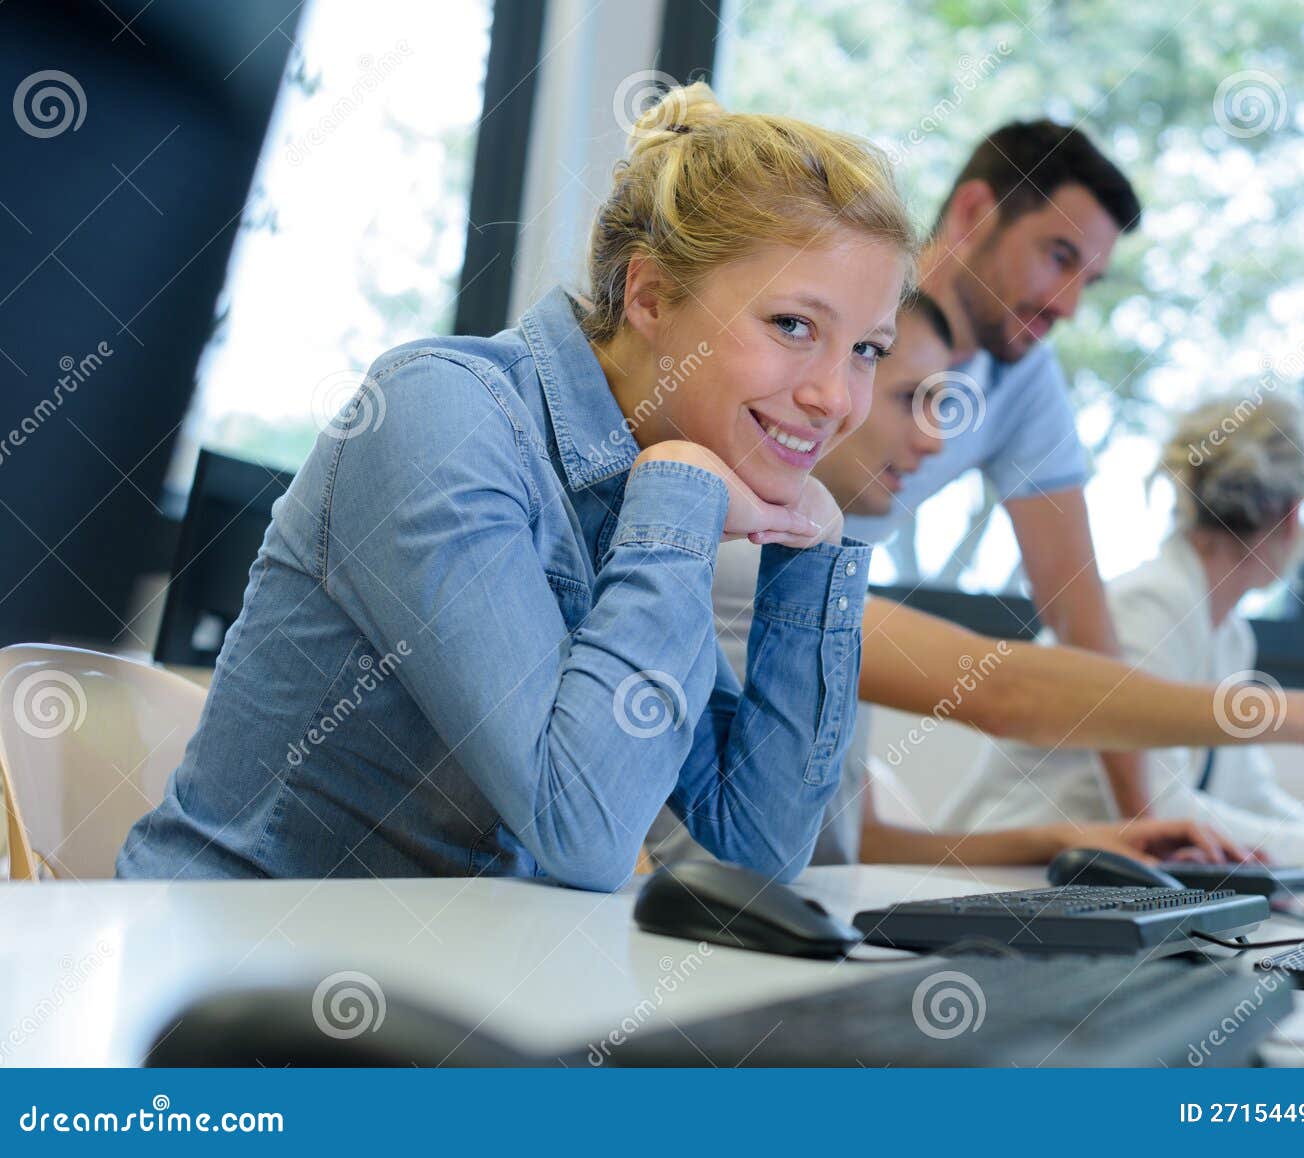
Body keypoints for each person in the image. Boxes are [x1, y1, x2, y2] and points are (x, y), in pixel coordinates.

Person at [116, 84, 916, 891]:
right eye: (792, 326)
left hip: (441, 983)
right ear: (649, 295)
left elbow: (758, 849)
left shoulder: (644, 473)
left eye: (868, 350)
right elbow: (583, 833)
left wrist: (806, 564)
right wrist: (679, 496)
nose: (837, 398)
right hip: (230, 967)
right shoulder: (441, 413)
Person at [648, 297, 1304, 870]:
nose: (937, 442)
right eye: (911, 400)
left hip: (803, 912)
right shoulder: (745, 557)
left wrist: (1057, 841)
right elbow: (1004, 691)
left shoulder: (822, 565)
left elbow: (851, 844)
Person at [850, 119, 1155, 818]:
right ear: (972, 214)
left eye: (1090, 280)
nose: (1070, 304)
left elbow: (1082, 618)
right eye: (1058, 256)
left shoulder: (1022, 380)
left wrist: (1148, 824)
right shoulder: (846, 308)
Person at [942, 392, 1304, 869]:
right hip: (998, 876)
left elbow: (1250, 794)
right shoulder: (1149, 606)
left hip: (1080, 881)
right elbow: (1160, 813)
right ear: (1293, 517)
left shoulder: (1227, 634)